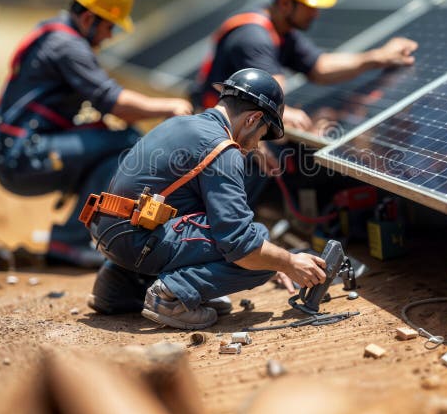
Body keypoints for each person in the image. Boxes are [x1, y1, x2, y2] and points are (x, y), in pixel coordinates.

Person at [84, 68, 327, 330]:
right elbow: (241, 242)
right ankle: (172, 296)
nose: (257, 144)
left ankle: (117, 286)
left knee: (215, 222)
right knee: (257, 240)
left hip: (109, 231)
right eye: (262, 133)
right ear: (252, 119)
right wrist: (287, 262)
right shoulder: (221, 148)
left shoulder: (182, 123)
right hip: (134, 240)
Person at [0, 0, 193, 269]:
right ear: (88, 19)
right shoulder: (68, 47)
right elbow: (115, 103)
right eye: (110, 27)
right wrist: (169, 107)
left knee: (113, 149)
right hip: (23, 157)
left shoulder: (55, 33)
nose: (109, 36)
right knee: (127, 141)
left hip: (18, 151)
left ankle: (72, 239)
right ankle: (71, 240)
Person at [191, 0, 419, 134]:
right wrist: (303, 120)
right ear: (285, 4)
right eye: (310, 6)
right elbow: (272, 100)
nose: (315, 13)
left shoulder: (281, 31)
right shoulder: (254, 37)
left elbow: (320, 67)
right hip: (216, 134)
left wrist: (378, 57)